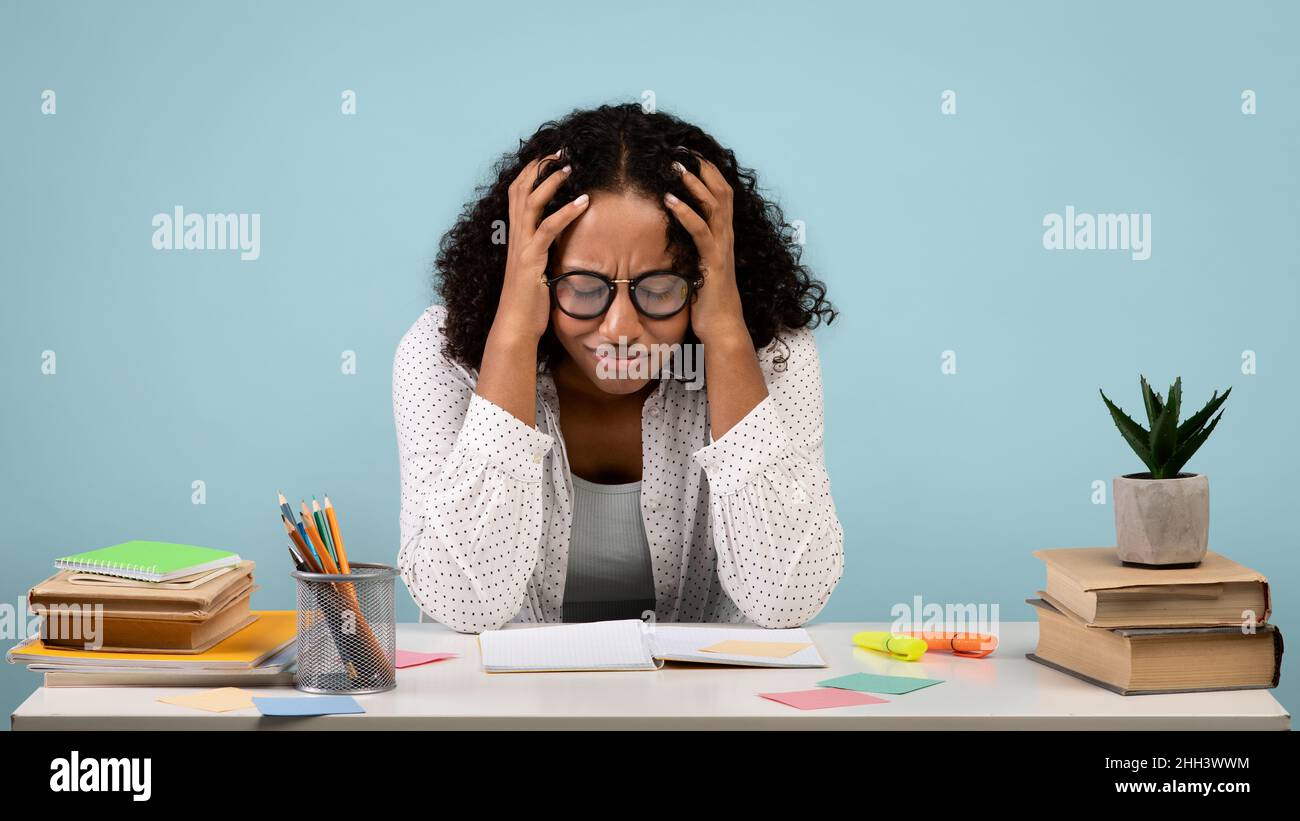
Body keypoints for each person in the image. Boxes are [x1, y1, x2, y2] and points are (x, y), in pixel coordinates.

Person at [394, 102, 843, 633]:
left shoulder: (772, 356)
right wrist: (513, 333)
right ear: (527, 276)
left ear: (709, 281)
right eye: (583, 289)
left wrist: (726, 336)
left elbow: (788, 597)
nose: (621, 329)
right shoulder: (444, 352)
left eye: (659, 289)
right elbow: (462, 603)